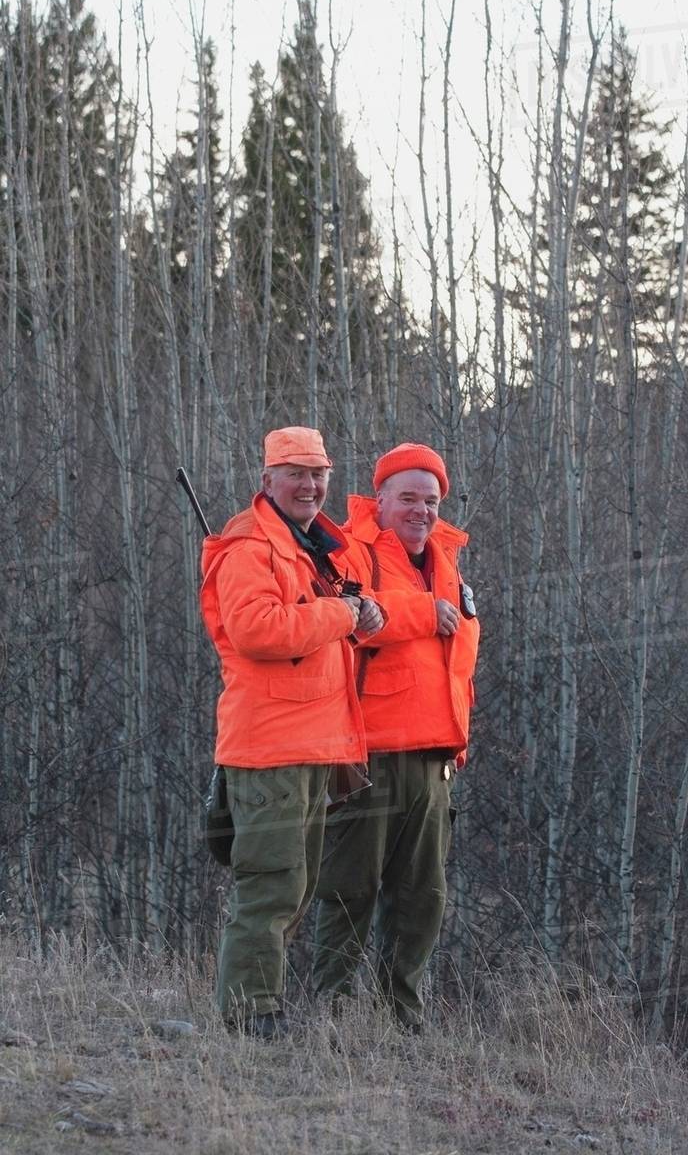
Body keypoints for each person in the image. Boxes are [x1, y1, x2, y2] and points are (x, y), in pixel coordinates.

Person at [199, 426, 383, 1039]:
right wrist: (341, 614)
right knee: (271, 887)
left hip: (310, 744)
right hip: (270, 746)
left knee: (294, 888)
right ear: (267, 481)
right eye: (296, 473)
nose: (310, 484)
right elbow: (258, 630)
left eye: (318, 473)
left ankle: (261, 1006)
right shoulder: (251, 547)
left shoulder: (306, 547)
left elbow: (319, 627)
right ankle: (249, 1017)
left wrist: (361, 619)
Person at [313, 442, 480, 1031]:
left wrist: (457, 743)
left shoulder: (447, 562)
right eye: (407, 497)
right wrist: (422, 613)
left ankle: (401, 1020)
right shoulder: (350, 550)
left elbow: (456, 665)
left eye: (430, 499)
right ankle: (322, 1015)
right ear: (379, 498)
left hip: (435, 760)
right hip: (369, 753)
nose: (420, 509)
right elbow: (347, 616)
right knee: (348, 890)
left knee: (421, 901)